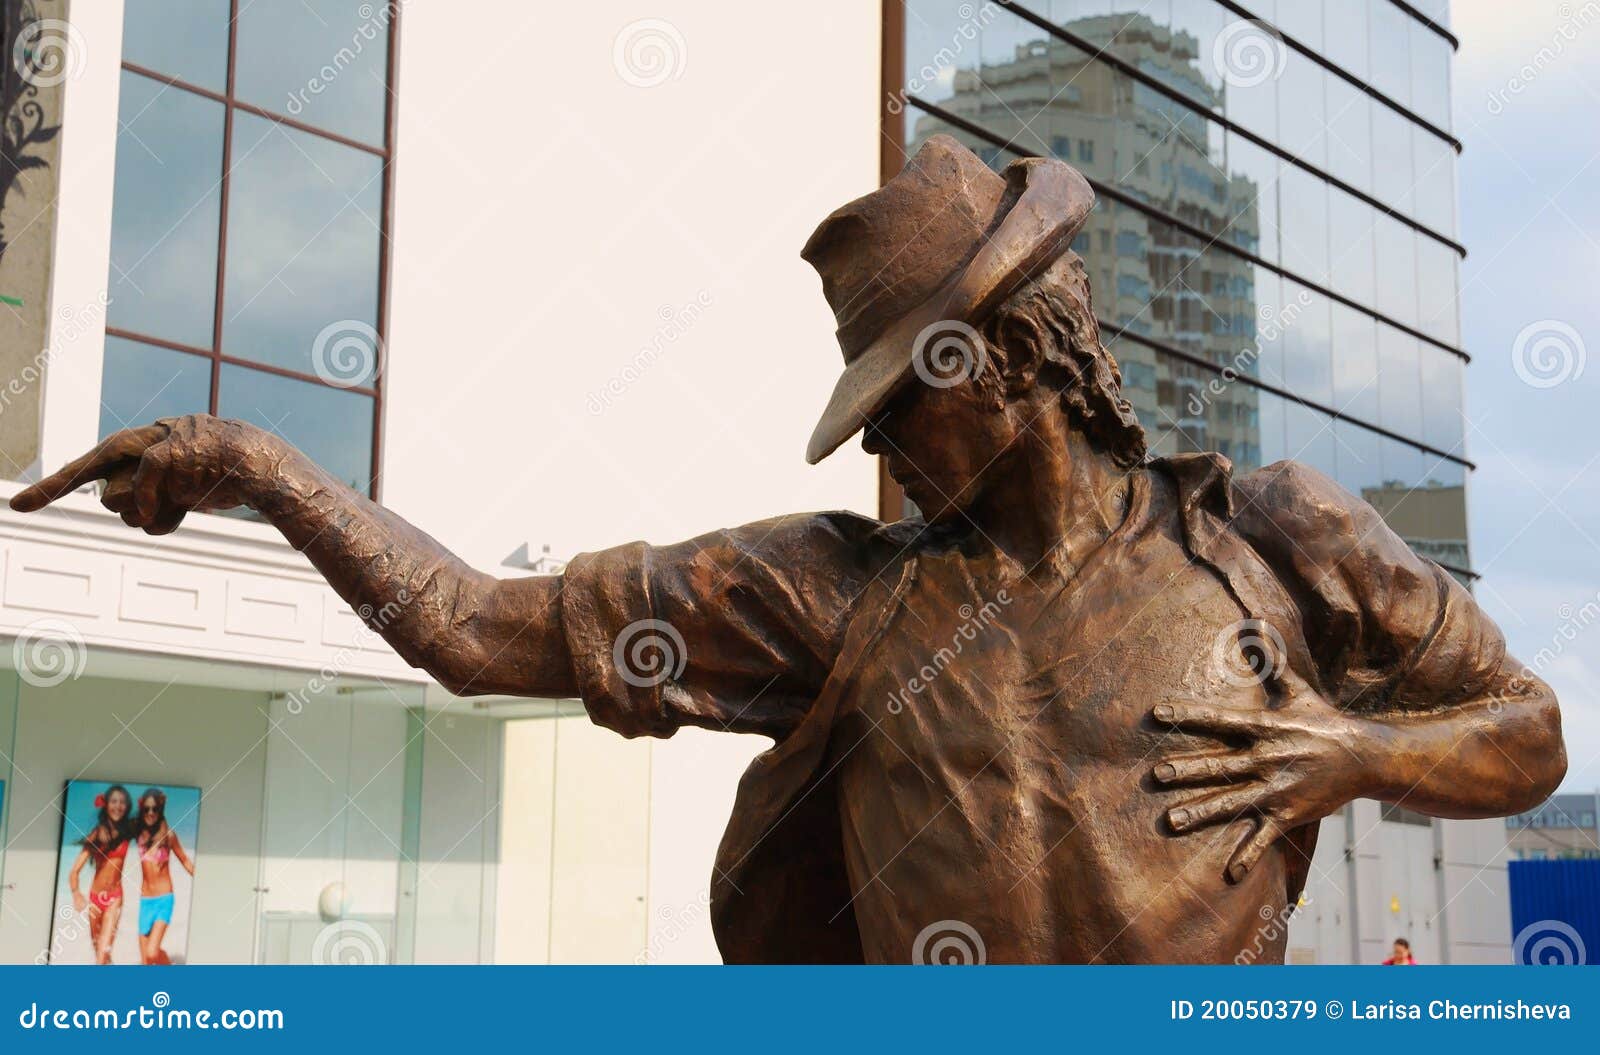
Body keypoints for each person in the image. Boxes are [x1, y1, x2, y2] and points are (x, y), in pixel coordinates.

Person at [10, 136, 1566, 964]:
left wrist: (1352, 753)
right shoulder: (837, 594)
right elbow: (484, 628)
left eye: (899, 400)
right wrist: (266, 469)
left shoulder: (1271, 539)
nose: (878, 444)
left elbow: (1530, 736)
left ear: (1007, 360)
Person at [66, 785, 132, 964]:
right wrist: (76, 893)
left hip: (115, 899)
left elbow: (153, 824)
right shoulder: (96, 835)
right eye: (113, 801)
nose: (118, 806)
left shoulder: (129, 831)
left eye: (122, 802)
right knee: (99, 951)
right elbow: (74, 871)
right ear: (106, 805)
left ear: (127, 807)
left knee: (103, 952)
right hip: (95, 899)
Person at [132, 789, 194, 965]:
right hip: (145, 901)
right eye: (147, 809)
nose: (151, 813)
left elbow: (185, 860)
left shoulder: (169, 836)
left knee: (152, 953)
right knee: (145, 961)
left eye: (155, 809)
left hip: (164, 899)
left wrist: (207, 880)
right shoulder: (139, 834)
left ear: (161, 810)